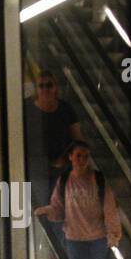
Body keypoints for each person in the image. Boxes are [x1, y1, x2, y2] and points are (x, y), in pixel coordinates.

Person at [25, 71, 84, 208]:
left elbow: (77, 138)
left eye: (49, 85)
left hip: (62, 165)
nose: (45, 89)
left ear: (55, 87)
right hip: (36, 166)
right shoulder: (27, 109)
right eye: (41, 86)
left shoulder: (66, 109)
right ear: (36, 89)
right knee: (43, 203)